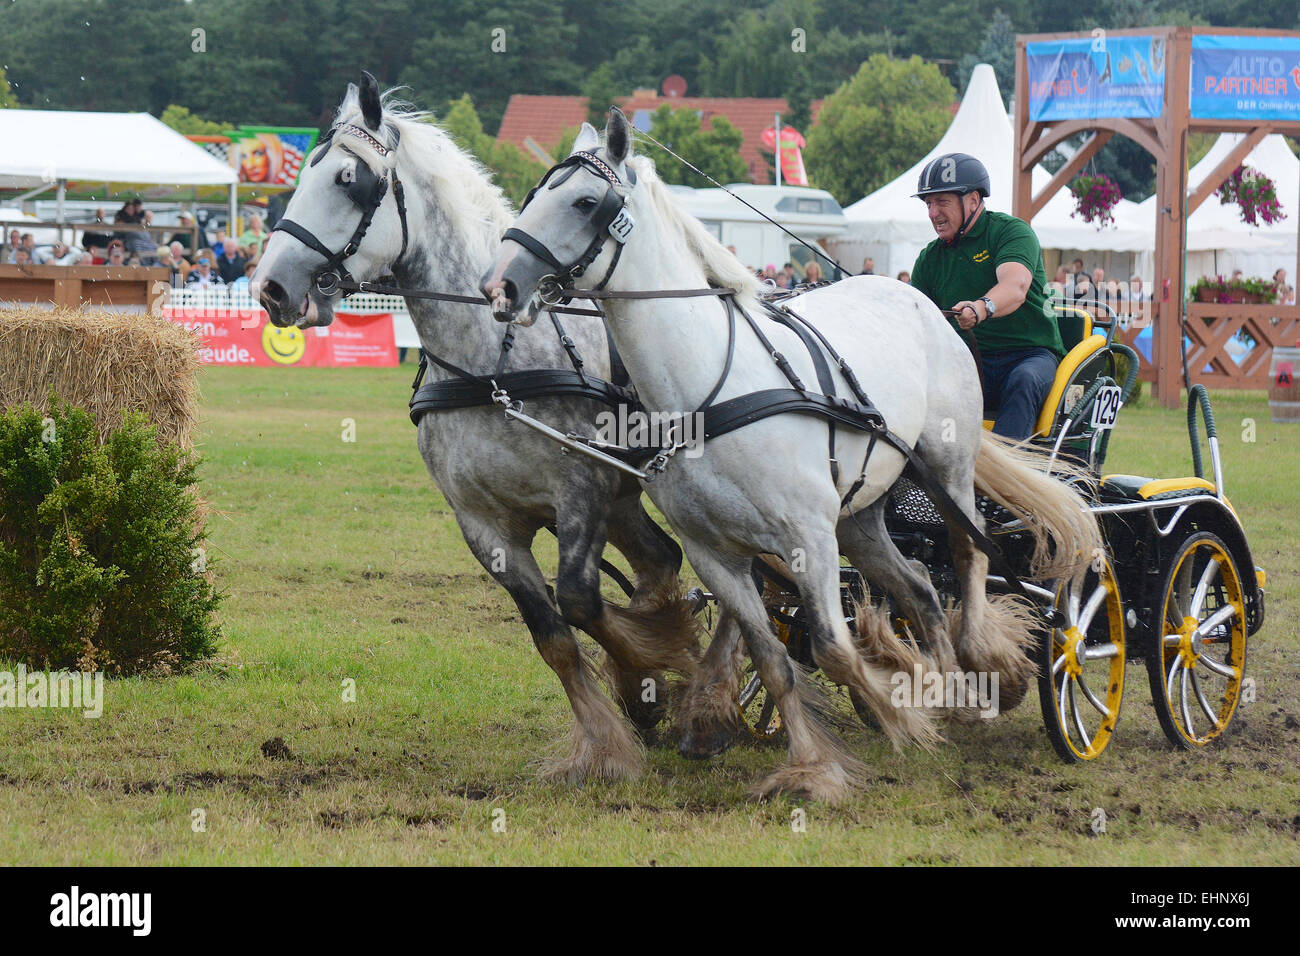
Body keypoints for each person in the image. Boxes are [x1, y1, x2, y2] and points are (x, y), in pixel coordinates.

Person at [909, 152, 1063, 441]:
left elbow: (1016, 287)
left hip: (1028, 355)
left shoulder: (1011, 232)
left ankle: (1006, 478)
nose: (932, 213)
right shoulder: (930, 258)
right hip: (965, 361)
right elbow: (914, 319)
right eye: (928, 204)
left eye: (942, 201)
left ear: (973, 200)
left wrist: (981, 308)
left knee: (1024, 380)